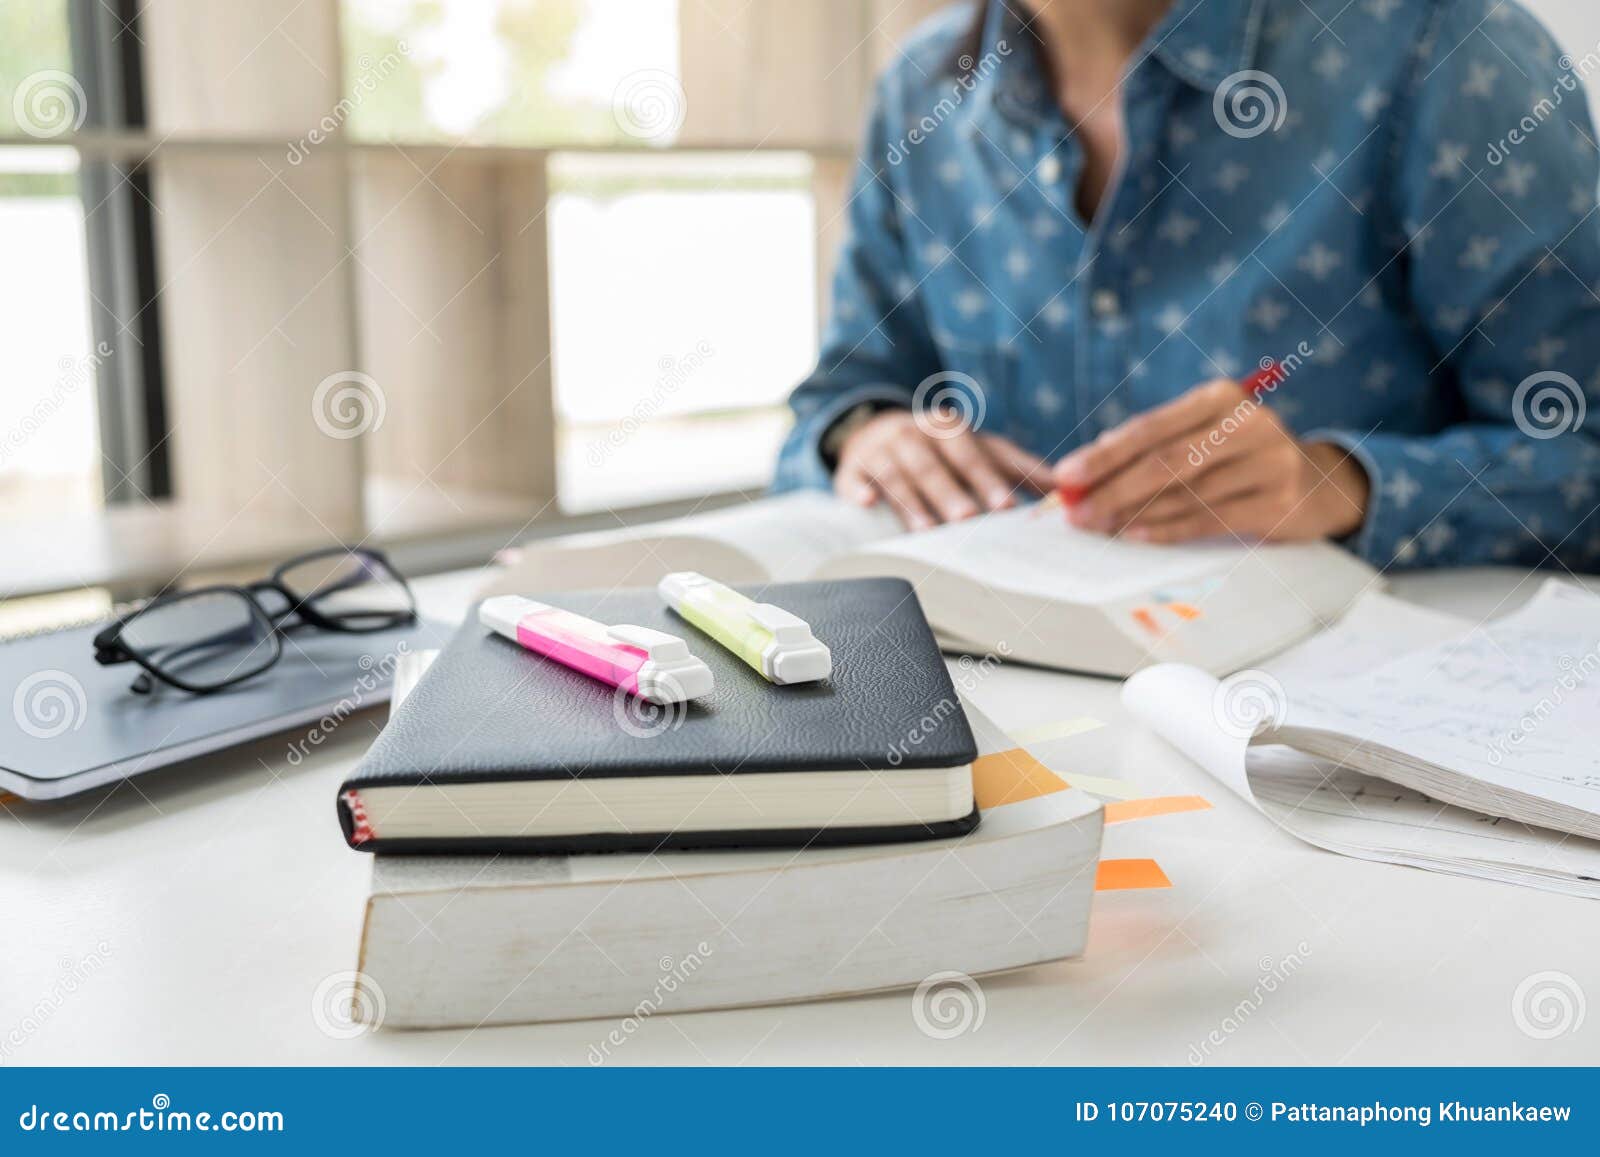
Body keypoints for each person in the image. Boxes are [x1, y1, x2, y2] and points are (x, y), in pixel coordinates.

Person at [773, 0, 1600, 569]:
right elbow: (839, 401)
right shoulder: (919, 94)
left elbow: (1584, 452)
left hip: (1343, 735)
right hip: (1009, 720)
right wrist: (869, 435)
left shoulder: (1444, 48)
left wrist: (1339, 485)